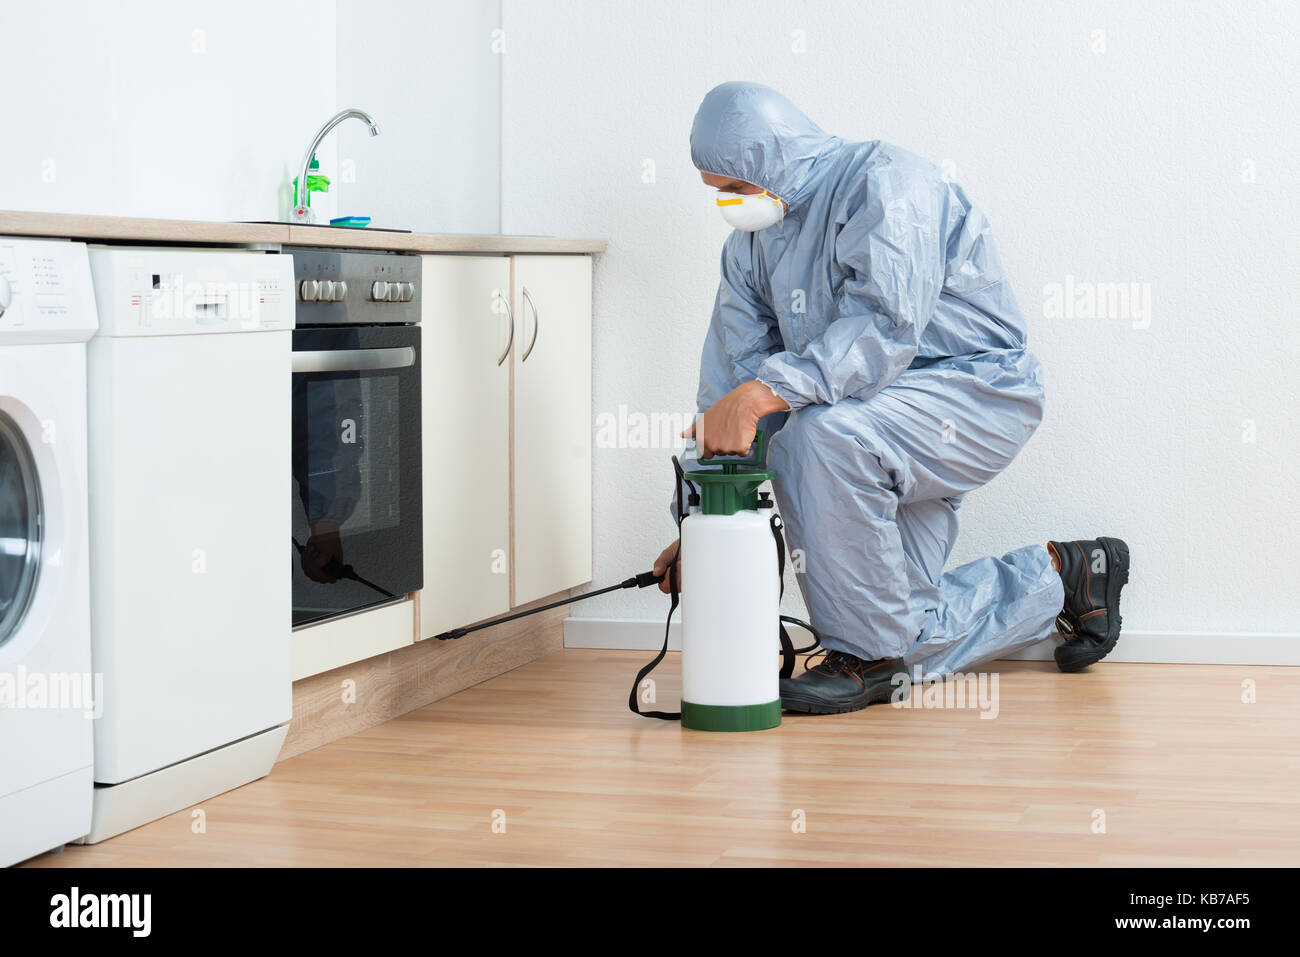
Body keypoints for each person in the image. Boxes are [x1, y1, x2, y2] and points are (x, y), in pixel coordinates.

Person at [652, 81, 1130, 715]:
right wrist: (702, 521)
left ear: (771, 157)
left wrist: (768, 391)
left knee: (817, 435)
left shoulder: (887, 183)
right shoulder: (750, 248)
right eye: (720, 192)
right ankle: (1067, 576)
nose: (730, 203)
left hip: (974, 394)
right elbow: (729, 393)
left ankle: (864, 660)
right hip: (875, 423)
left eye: (736, 185)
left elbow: (884, 327)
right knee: (901, 626)